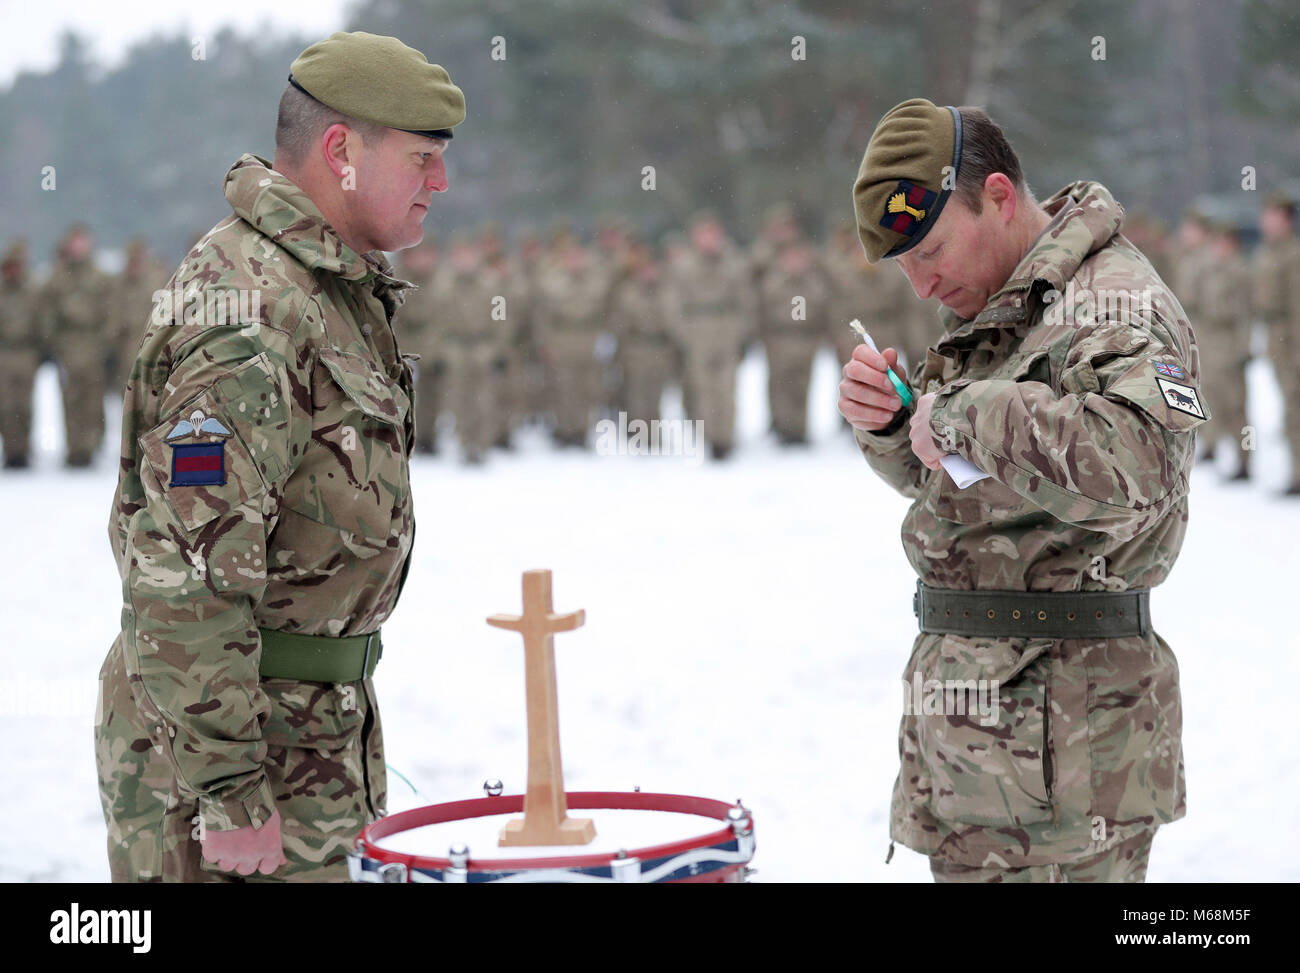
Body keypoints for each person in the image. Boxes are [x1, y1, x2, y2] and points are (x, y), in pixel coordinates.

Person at [94, 30, 465, 882]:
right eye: (421, 158)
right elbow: (184, 570)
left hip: (305, 729)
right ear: (341, 151)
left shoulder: (325, 286)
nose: (440, 183)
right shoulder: (253, 310)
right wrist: (229, 792)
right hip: (232, 754)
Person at [838, 99, 1204, 882]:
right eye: (903, 265)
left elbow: (1140, 466)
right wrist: (894, 427)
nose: (922, 281)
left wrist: (964, 415)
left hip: (1066, 757)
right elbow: (960, 492)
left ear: (998, 195)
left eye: (930, 249)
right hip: (978, 743)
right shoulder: (1007, 309)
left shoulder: (1114, 303)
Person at [41, 224, 113, 467]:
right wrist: (52, 343)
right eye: (75, 242)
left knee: (93, 399)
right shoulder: (58, 275)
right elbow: (48, 313)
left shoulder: (98, 276)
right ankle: (75, 448)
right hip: (68, 344)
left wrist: (106, 341)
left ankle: (91, 445)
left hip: (92, 343)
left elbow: (110, 312)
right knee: (70, 399)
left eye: (83, 241)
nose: (79, 247)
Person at [1197, 222, 1253, 480]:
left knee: (1237, 407)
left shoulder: (1240, 271)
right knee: (1213, 399)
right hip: (1213, 341)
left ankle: (1246, 460)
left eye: (1223, 242)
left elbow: (1245, 315)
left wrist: (1243, 349)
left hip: (1231, 342)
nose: (1218, 248)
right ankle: (1214, 447)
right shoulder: (1212, 269)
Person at [1253, 193, 1300, 495]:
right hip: (1276, 338)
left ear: (1286, 219)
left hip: (1291, 338)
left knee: (1296, 410)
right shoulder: (1267, 252)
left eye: (1271, 215)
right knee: (1289, 409)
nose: (1264, 221)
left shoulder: (1293, 254)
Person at [0, 241, 41, 468]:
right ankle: (11, 450)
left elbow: (42, 322)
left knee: (24, 406)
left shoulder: (31, 292)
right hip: (4, 354)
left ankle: (23, 449)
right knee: (5, 405)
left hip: (26, 353)